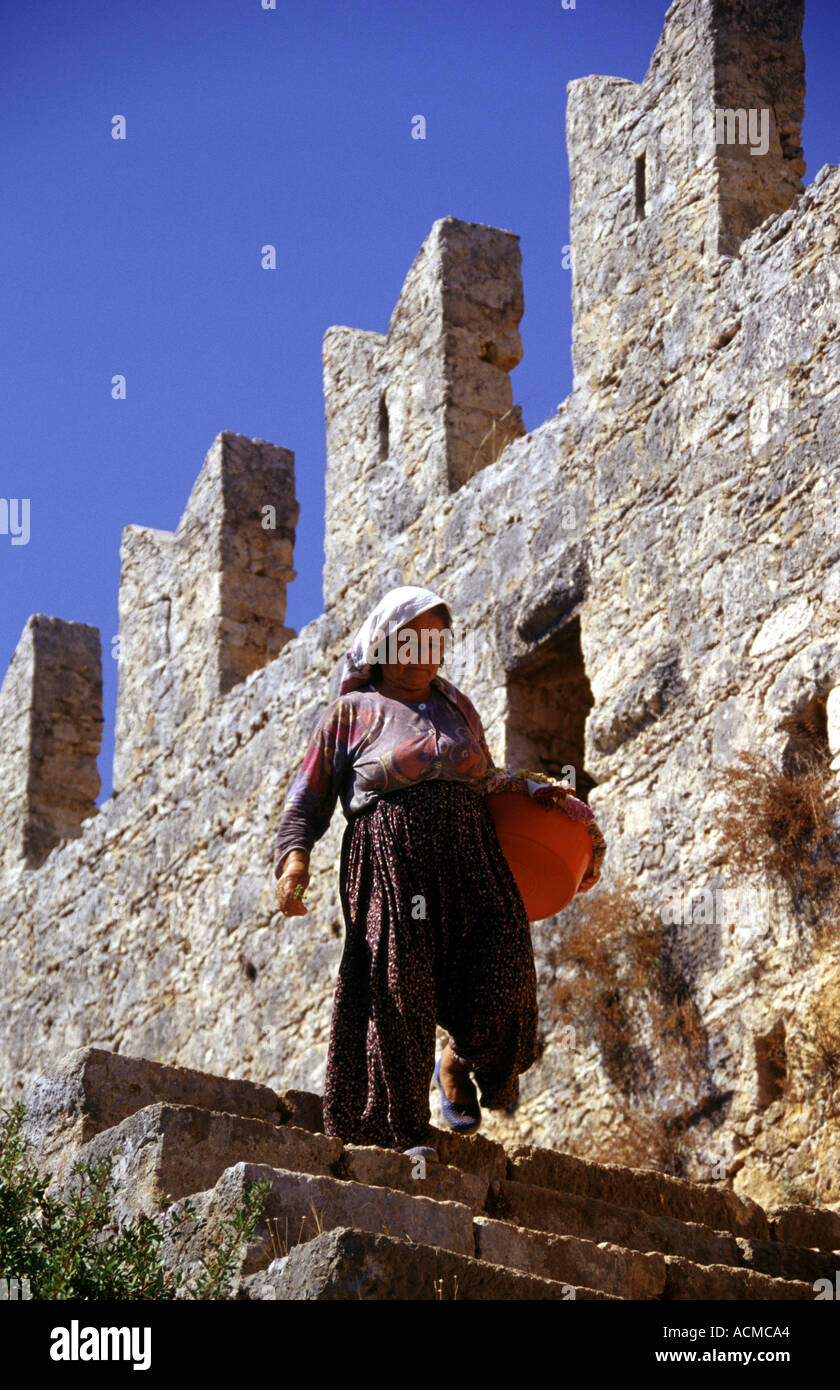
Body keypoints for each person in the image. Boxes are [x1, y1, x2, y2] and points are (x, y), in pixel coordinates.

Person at [272, 585, 541, 1161]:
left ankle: (459, 1059)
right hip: (391, 856)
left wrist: (546, 801)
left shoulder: (458, 706)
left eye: (437, 638)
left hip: (470, 852)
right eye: (415, 637)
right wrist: (295, 860)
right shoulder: (350, 714)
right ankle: (402, 1134)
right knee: (397, 985)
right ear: (385, 644)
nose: (428, 649)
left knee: (508, 961)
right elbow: (306, 800)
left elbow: (487, 779)